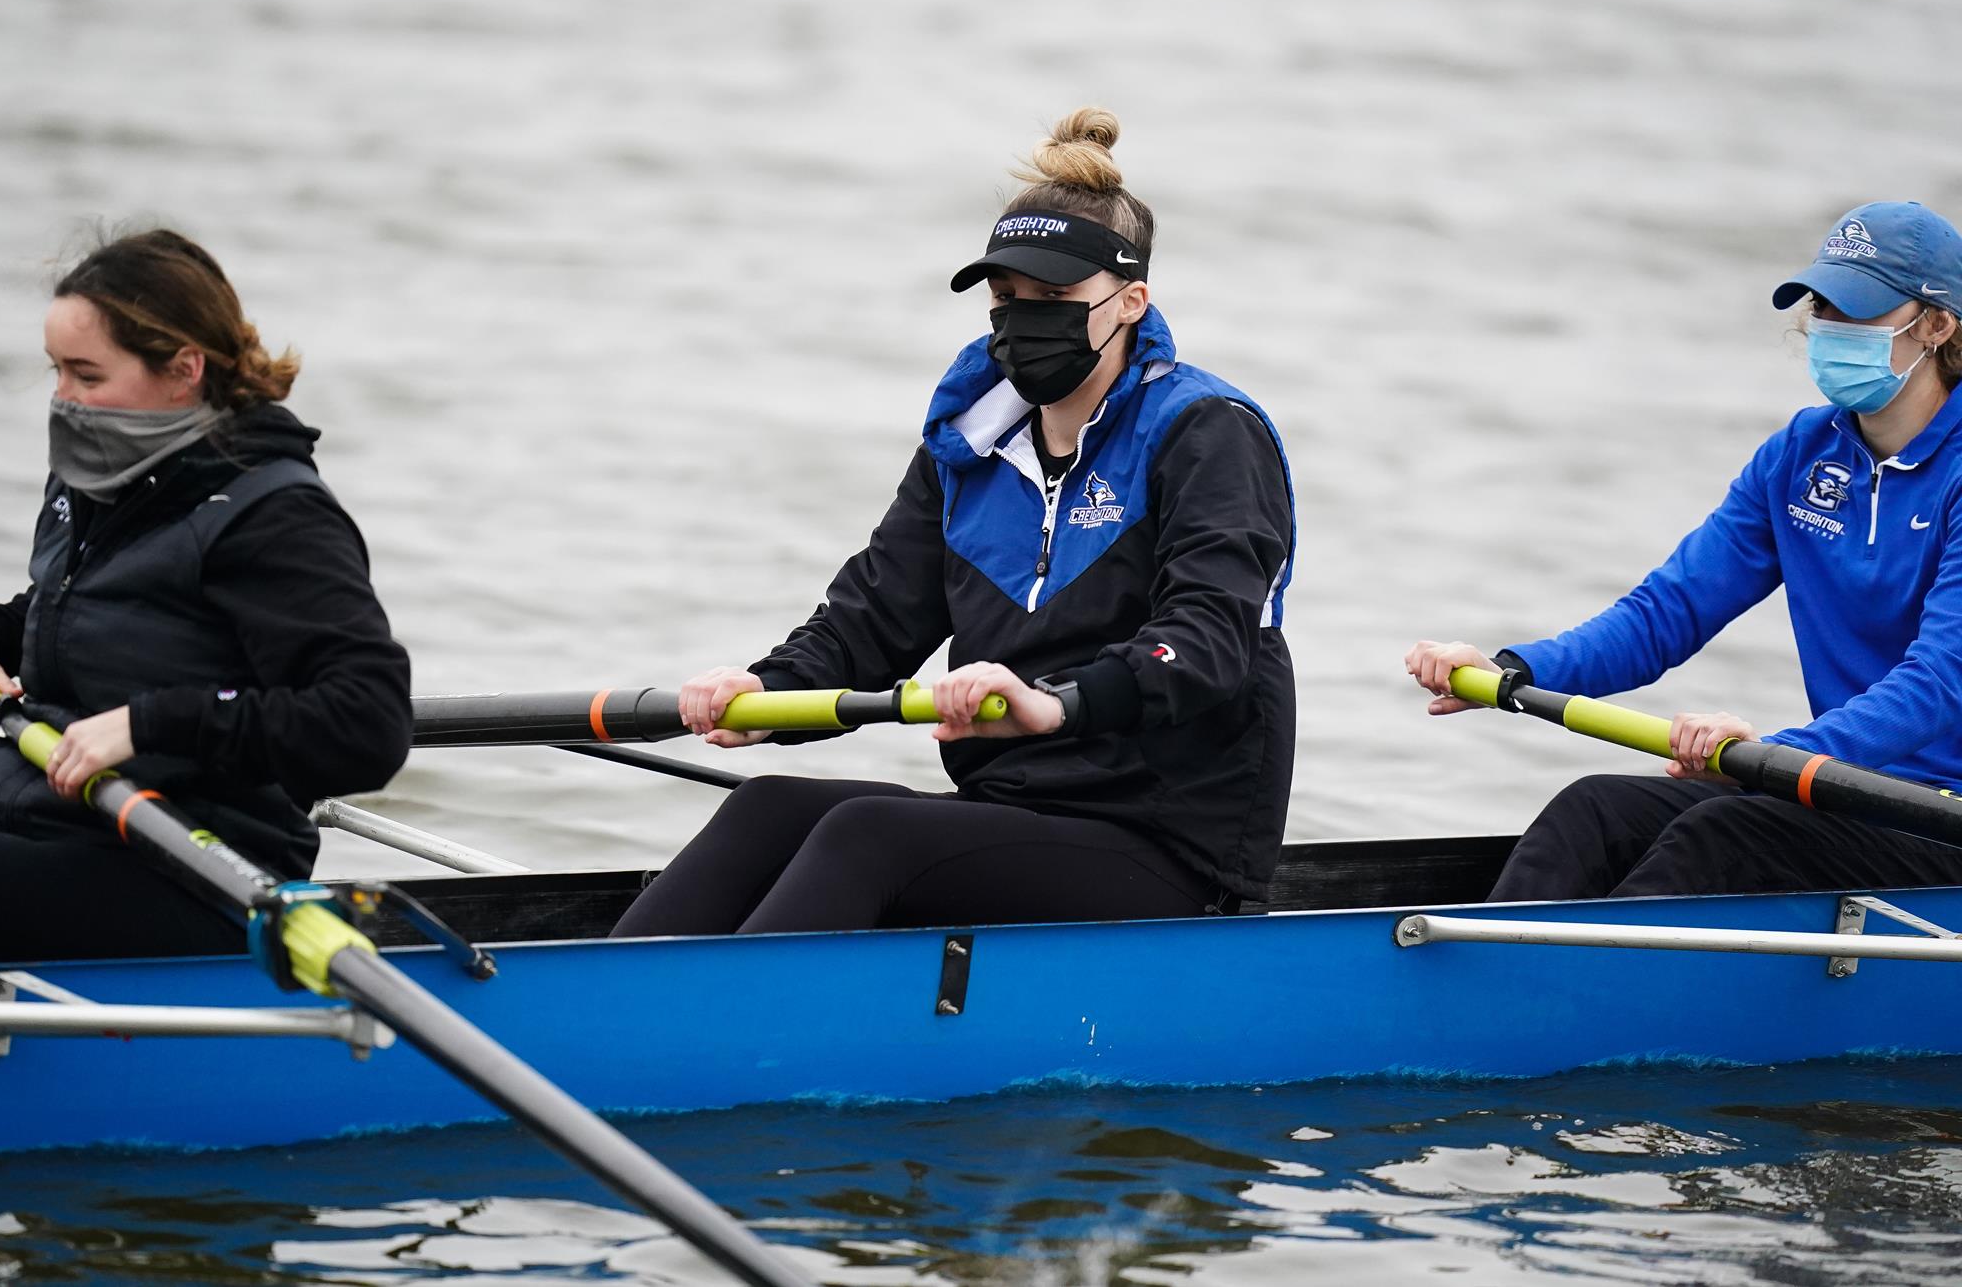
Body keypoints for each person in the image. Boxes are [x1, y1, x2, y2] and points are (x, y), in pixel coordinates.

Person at [613, 108, 1295, 937]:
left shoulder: (1207, 432)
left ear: (1130, 302)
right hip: (1010, 809)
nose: (1021, 319)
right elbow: (873, 617)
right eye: (1006, 298)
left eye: (1053, 298)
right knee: (766, 807)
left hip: (1170, 843)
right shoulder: (970, 444)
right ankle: (587, 1034)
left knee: (870, 835)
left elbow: (1208, 640)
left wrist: (1060, 704)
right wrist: (767, 688)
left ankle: (723, 1050)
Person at [1406, 200, 1962, 901]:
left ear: (1937, 325)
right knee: (1593, 811)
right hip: (1836, 790)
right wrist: (1514, 666)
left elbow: (1942, 680)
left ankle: (1572, 999)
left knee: (1721, 837)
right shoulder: (1799, 455)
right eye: (1824, 307)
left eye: (1859, 312)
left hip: (1941, 818)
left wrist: (1776, 754)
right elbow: (1667, 610)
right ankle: (1484, 994)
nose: (1830, 329)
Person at [0, 228, 412, 961]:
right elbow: (75, 605)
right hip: (54, 827)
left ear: (183, 370)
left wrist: (151, 723)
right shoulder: (104, 476)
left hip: (195, 871)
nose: (63, 400)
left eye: (86, 374)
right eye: (56, 372)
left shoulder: (276, 516)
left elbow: (368, 722)